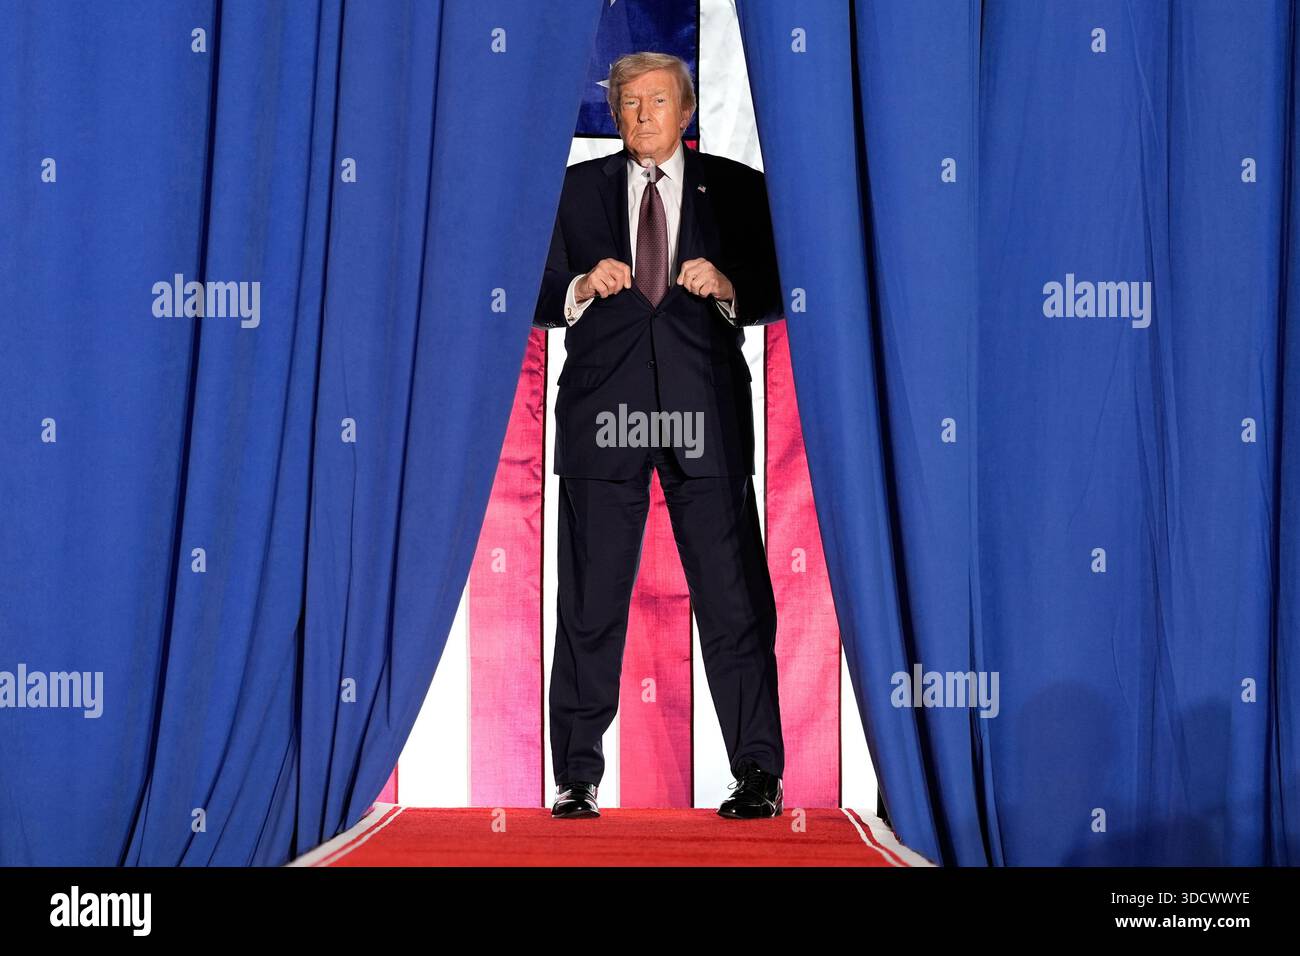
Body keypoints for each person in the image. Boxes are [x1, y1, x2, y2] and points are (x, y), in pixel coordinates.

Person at [533, 51, 785, 820]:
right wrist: (579, 287)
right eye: (629, 104)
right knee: (589, 605)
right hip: (604, 419)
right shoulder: (573, 191)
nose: (643, 116)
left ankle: (758, 776)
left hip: (704, 415)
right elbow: (533, 295)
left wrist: (731, 288)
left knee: (734, 603)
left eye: (657, 102)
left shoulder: (737, 190)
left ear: (687, 112)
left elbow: (781, 287)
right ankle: (576, 778)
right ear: (614, 115)